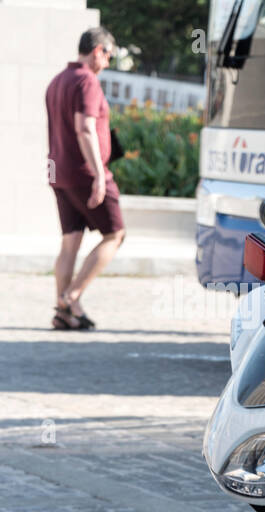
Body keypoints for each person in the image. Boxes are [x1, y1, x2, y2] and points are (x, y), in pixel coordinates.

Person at [45, 26, 123, 331]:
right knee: (116, 234)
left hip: (58, 172)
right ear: (97, 51)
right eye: (109, 57)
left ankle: (63, 313)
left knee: (70, 242)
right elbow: (84, 128)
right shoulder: (86, 81)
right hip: (85, 173)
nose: (107, 64)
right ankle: (71, 297)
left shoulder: (56, 81)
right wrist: (100, 176)